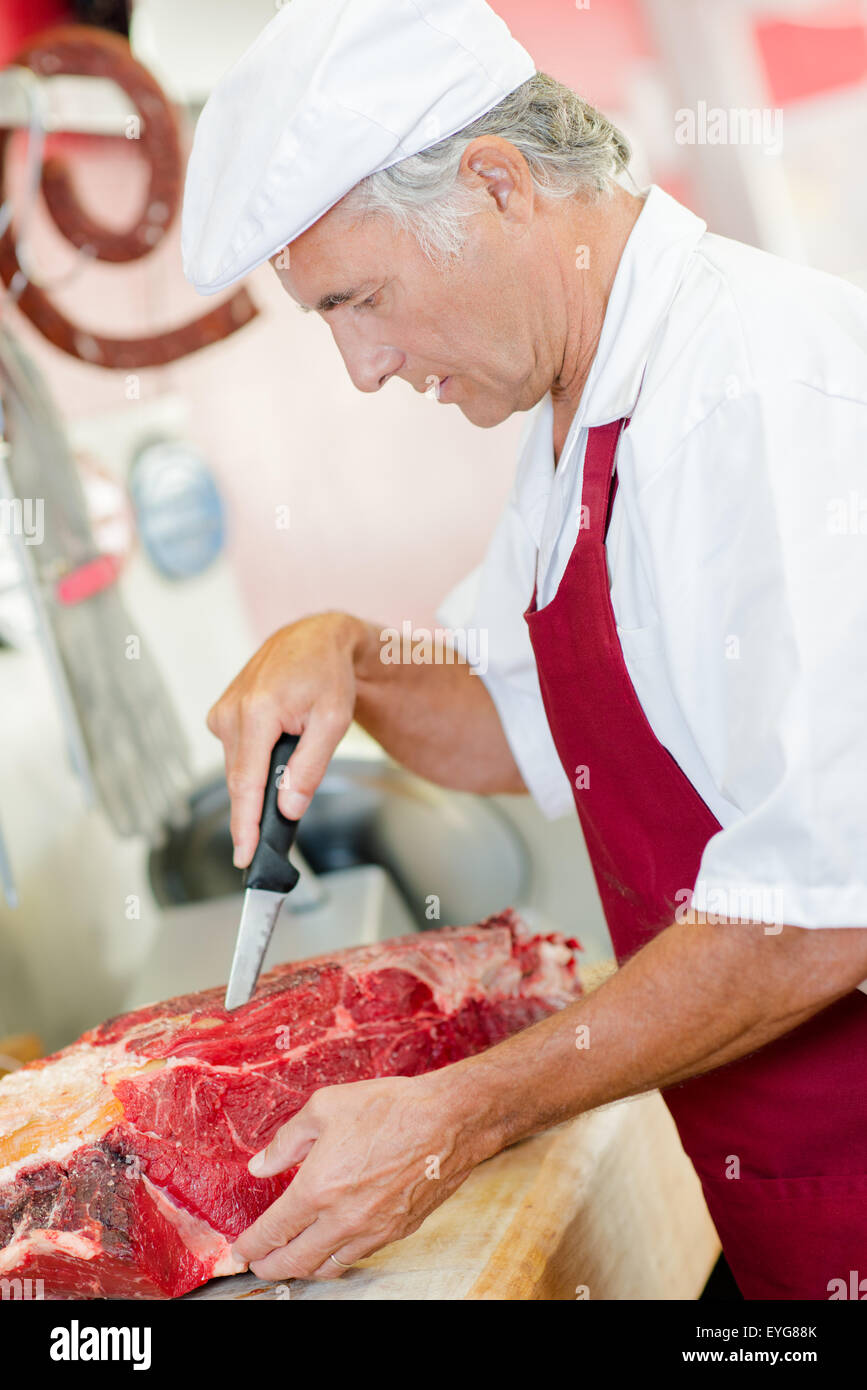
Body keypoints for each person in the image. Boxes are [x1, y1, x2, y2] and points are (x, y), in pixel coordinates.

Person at [182, 0, 867, 1298]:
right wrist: (349, 655)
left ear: (496, 185)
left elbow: (827, 902)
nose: (364, 368)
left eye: (362, 299)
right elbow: (533, 715)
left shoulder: (755, 387)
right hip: (787, 1212)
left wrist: (462, 1112)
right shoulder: (578, 407)